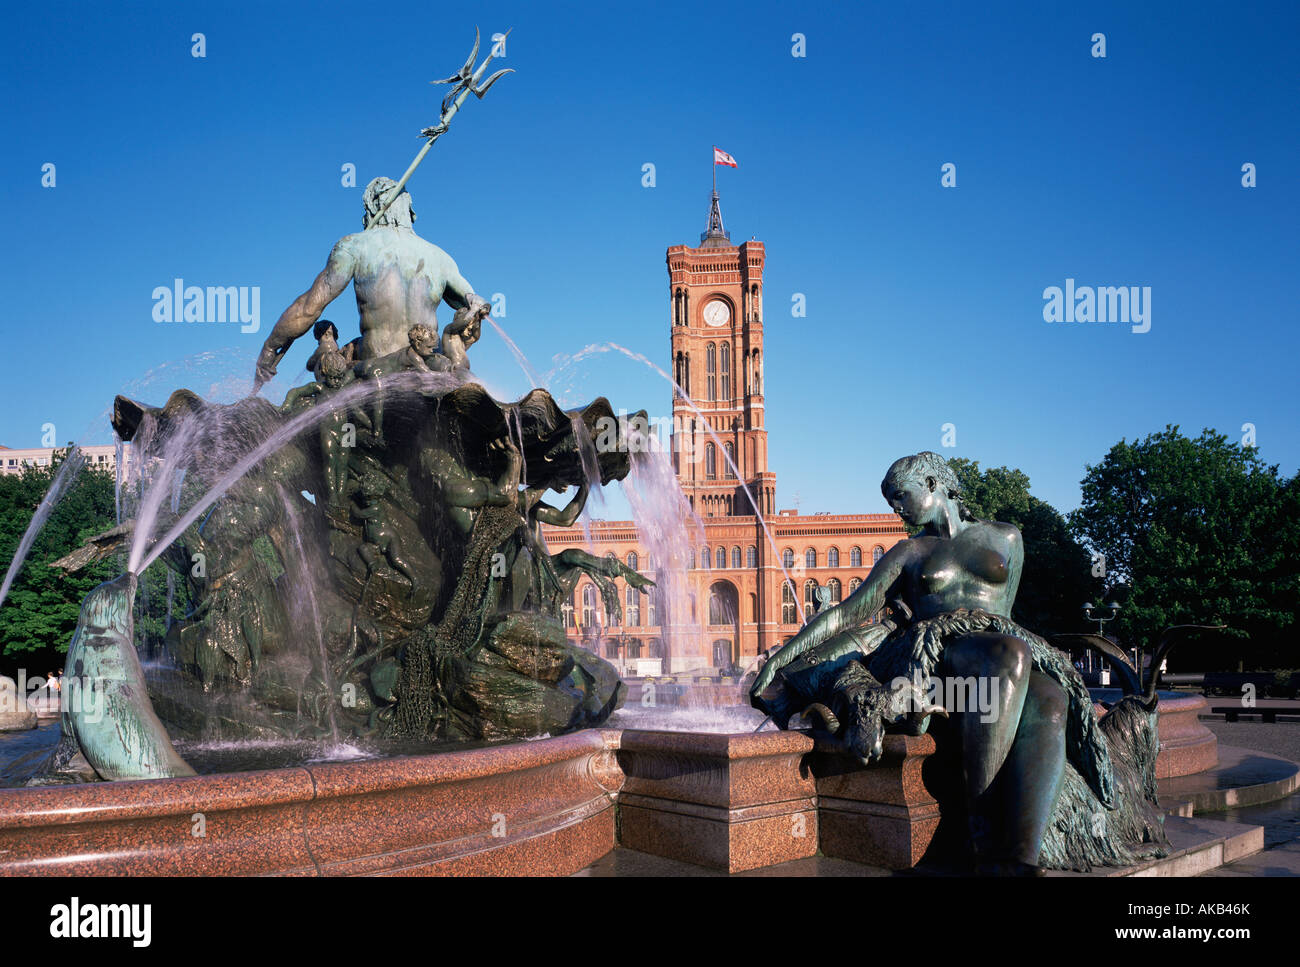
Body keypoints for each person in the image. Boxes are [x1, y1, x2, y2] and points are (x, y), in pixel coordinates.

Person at [751, 451, 1112, 876]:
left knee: (1050, 698)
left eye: (901, 496)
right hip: (937, 653)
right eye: (891, 502)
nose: (896, 508)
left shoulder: (1007, 537)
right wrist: (782, 659)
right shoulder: (909, 551)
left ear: (933, 484)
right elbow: (848, 612)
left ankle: (1022, 859)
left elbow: (1006, 616)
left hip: (997, 647)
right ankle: (980, 829)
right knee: (1009, 655)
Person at [254, 177, 490, 389]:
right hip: (430, 363)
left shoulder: (354, 245)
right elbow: (472, 306)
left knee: (328, 362)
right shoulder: (440, 257)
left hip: (378, 365)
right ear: (408, 207)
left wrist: (269, 347)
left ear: (372, 207)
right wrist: (476, 303)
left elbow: (308, 309)